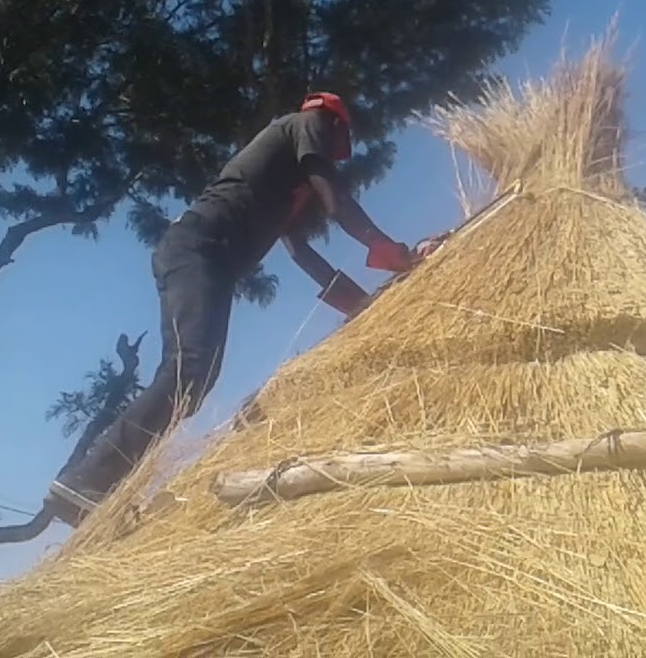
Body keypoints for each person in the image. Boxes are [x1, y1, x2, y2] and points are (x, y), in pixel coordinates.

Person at [44, 92, 415, 526]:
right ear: (334, 125)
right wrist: (382, 244)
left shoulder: (284, 186)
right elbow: (334, 198)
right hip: (198, 249)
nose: (333, 156)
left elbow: (300, 253)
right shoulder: (308, 121)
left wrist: (358, 304)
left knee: (196, 379)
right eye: (336, 148)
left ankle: (96, 488)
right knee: (189, 367)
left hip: (204, 256)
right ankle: (86, 479)